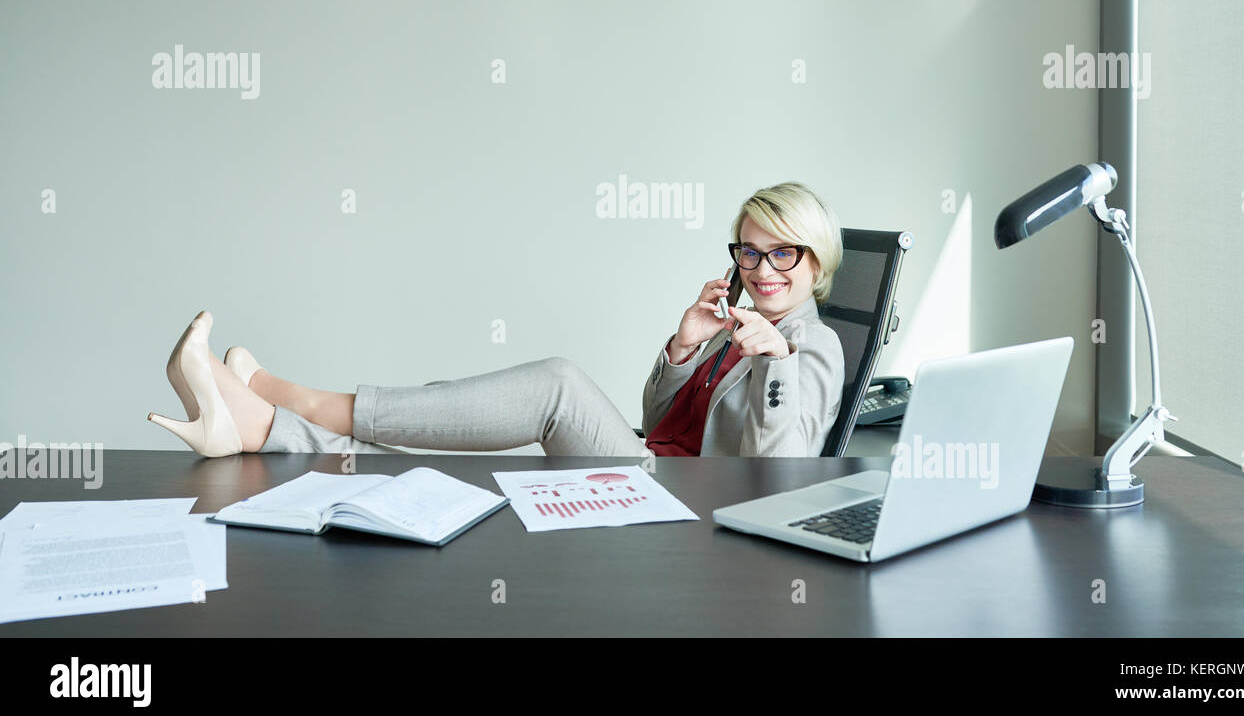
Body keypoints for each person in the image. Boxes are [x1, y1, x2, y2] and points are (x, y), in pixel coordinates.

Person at [148, 181, 845, 458]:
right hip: (652, 463)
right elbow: (661, 419)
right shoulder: (741, 326)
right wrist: (685, 346)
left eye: (783, 251)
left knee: (558, 385)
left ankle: (282, 398)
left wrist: (774, 363)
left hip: (686, 508)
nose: (763, 268)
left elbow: (777, 474)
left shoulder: (812, 347)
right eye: (749, 251)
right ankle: (261, 424)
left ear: (816, 260)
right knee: (462, 418)